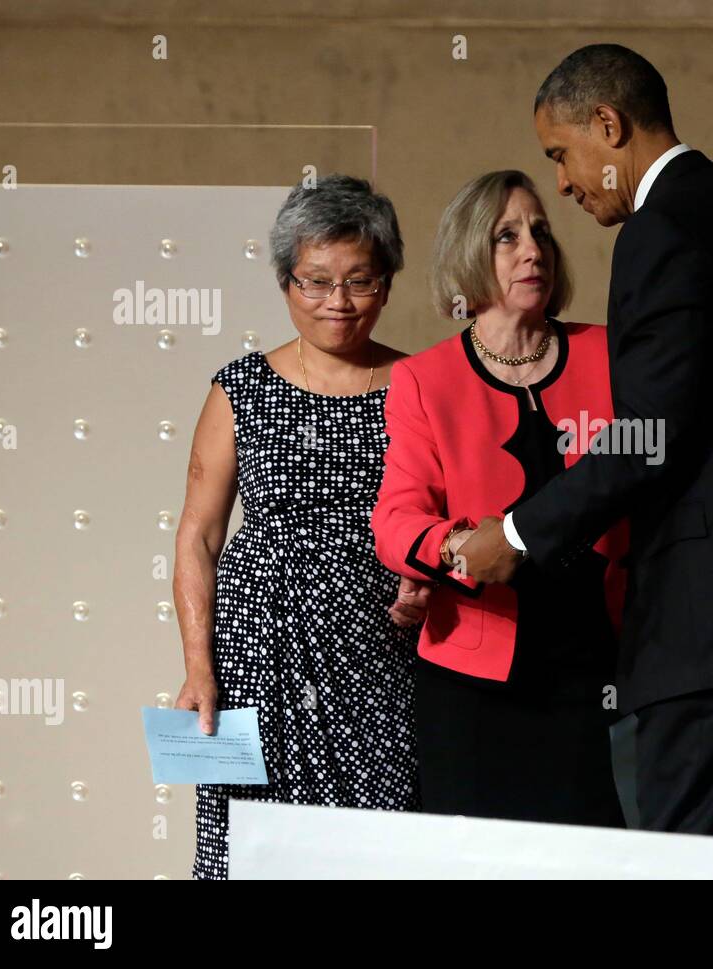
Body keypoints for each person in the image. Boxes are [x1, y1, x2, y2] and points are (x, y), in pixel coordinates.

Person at [457, 44, 713, 845]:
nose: (565, 184)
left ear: (607, 125)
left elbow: (651, 436)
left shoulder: (662, 232)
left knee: (700, 863)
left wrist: (516, 535)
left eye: (561, 154)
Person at [173, 174, 427, 879]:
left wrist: (426, 580)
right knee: (253, 841)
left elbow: (446, 521)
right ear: (285, 282)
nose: (337, 303)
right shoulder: (240, 387)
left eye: (359, 281)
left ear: (387, 282)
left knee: (382, 843)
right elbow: (198, 535)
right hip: (257, 650)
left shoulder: (420, 383)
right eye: (315, 282)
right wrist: (199, 666)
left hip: (382, 647)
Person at [372, 170, 627, 828]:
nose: (532, 249)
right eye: (506, 236)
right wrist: (456, 548)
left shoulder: (607, 354)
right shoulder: (425, 380)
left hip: (599, 671)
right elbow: (396, 518)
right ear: (468, 257)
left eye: (540, 232)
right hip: (473, 685)